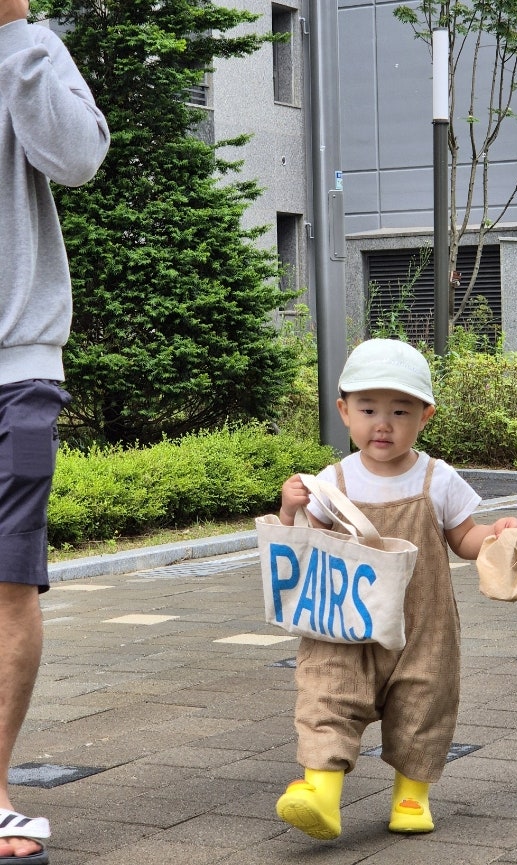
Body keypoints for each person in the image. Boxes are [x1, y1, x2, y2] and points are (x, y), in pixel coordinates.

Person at [275, 338, 517, 840]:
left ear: (425, 416)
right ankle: (320, 793)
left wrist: (494, 535)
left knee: (423, 701)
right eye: (368, 409)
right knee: (326, 693)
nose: (382, 424)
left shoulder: (438, 478)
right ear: (344, 412)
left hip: (421, 623)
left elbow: (462, 538)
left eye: (400, 411)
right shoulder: (332, 480)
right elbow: (304, 541)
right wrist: (289, 507)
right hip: (344, 620)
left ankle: (412, 796)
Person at [0, 2, 109, 861]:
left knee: (8, 586)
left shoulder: (33, 46)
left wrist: (14, 34)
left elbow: (78, 159)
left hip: (17, 369)